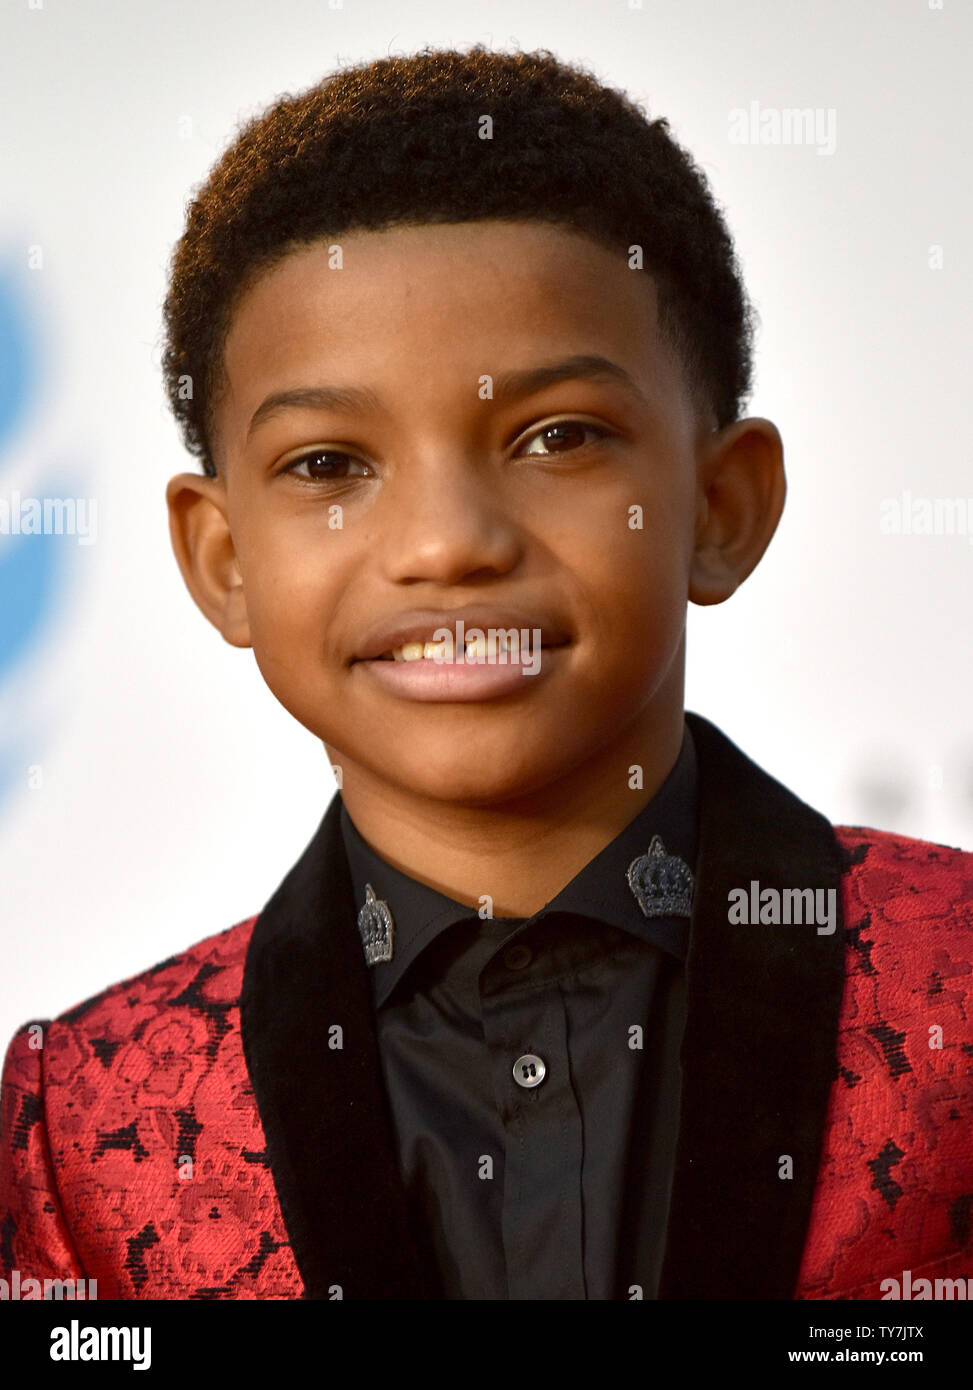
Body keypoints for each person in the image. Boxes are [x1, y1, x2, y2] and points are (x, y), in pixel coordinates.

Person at [2, 45, 970, 1302]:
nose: (448, 541)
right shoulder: (82, 1126)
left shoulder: (950, 987)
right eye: (329, 465)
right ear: (223, 556)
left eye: (556, 437)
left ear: (721, 504)